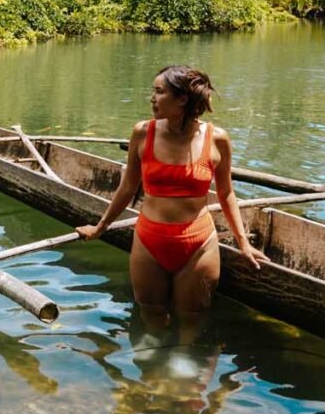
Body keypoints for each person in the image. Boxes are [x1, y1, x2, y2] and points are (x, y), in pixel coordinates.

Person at [77, 65, 264, 322]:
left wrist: (243, 242)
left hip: (198, 243)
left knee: (192, 320)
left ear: (182, 99)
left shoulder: (217, 138)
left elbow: (226, 192)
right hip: (149, 240)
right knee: (151, 316)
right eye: (153, 91)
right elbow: (128, 186)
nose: (152, 98)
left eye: (159, 91)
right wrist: (100, 227)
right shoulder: (142, 132)